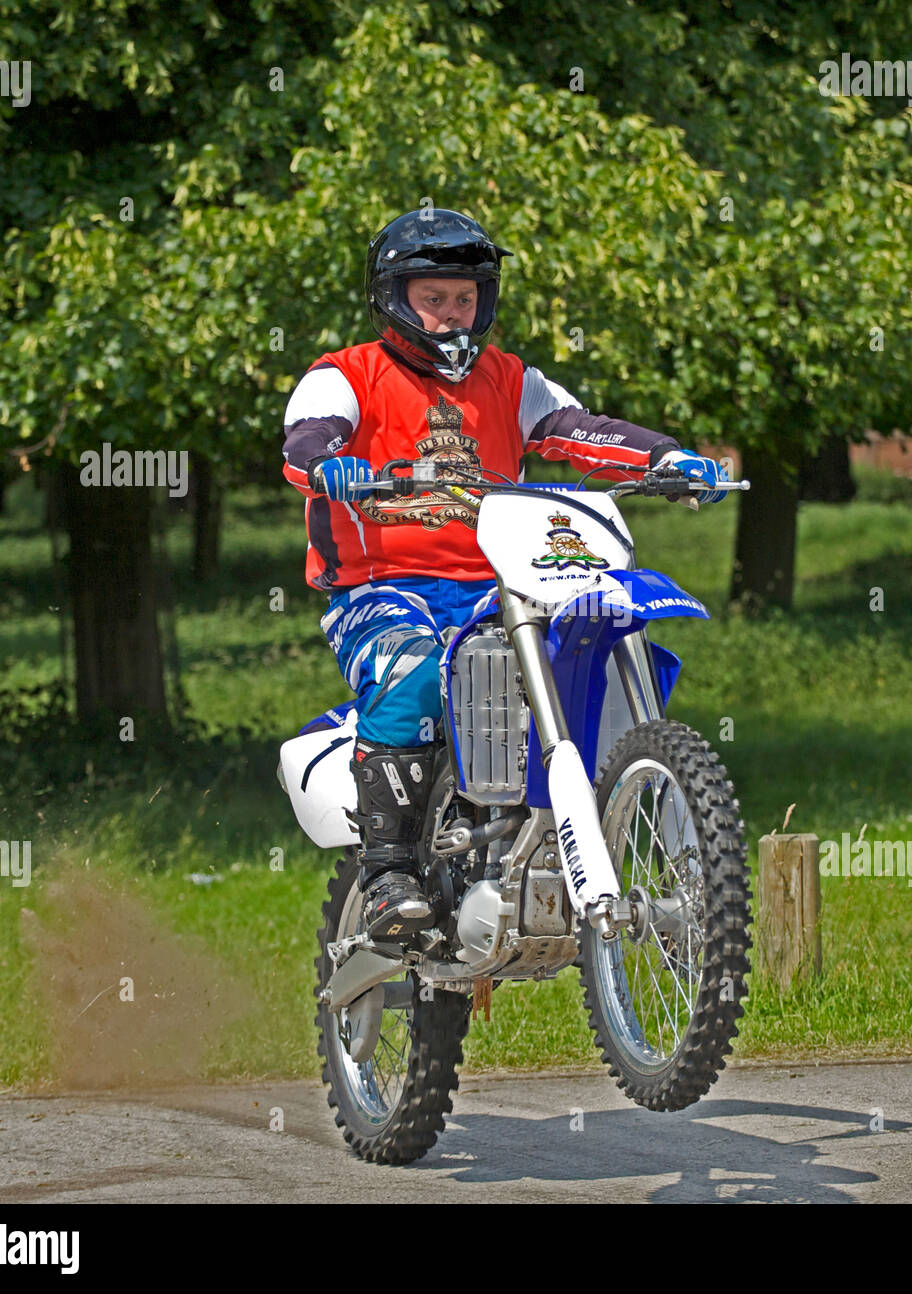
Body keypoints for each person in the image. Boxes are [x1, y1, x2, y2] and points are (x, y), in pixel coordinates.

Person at [282, 207, 728, 945]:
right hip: (382, 590)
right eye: (435, 298)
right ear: (396, 298)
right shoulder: (346, 375)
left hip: (502, 584)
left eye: (464, 298)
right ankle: (390, 871)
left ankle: (612, 839)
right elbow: (304, 442)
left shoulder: (509, 379)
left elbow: (583, 431)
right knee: (417, 674)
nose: (452, 314)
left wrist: (663, 458)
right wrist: (335, 466)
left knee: (588, 648)